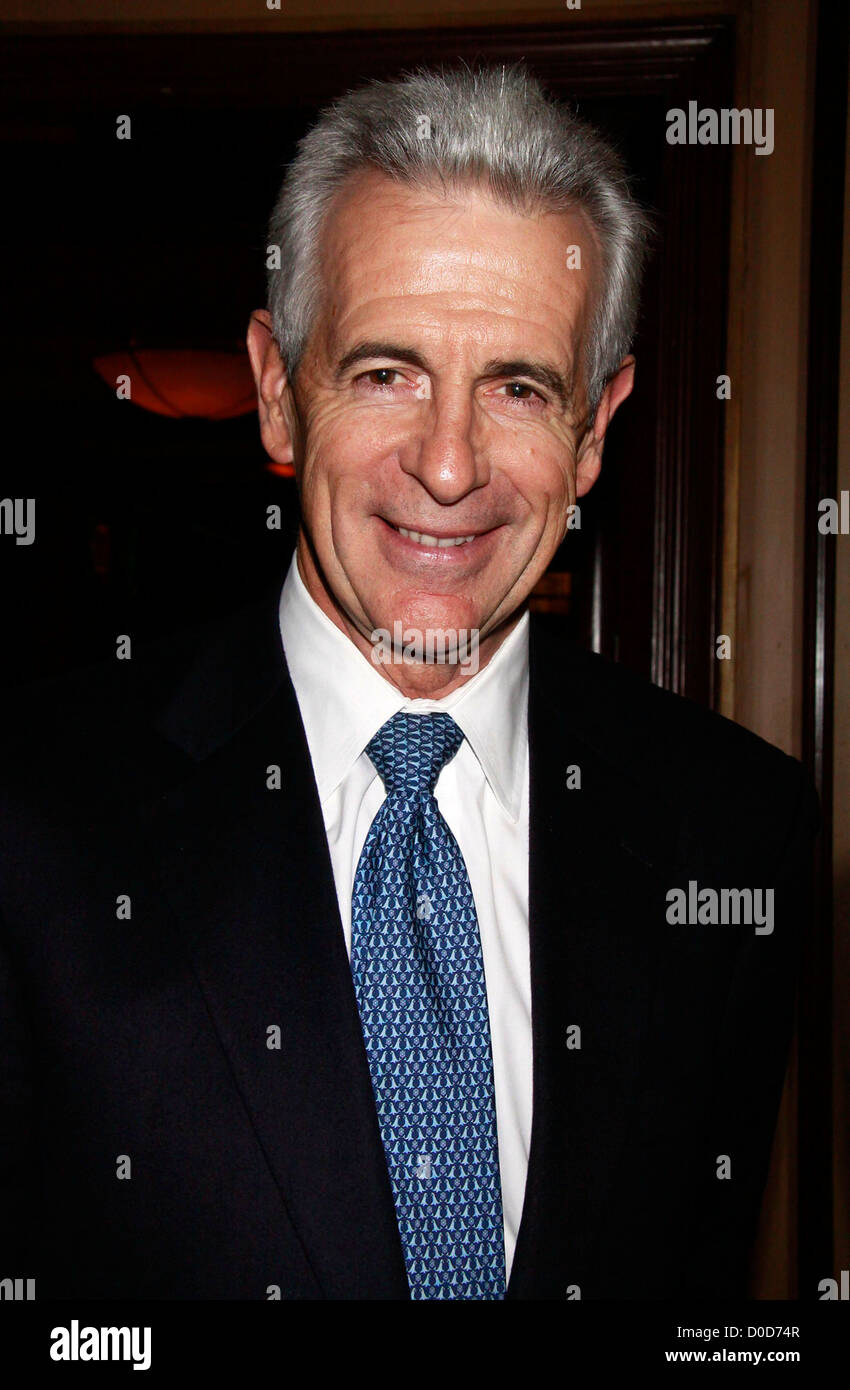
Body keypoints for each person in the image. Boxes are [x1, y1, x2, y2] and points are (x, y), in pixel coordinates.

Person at [0, 64, 817, 1301]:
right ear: (277, 391)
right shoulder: (30, 812)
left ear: (596, 429)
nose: (448, 465)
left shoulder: (740, 832)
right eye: (387, 372)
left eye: (519, 389)